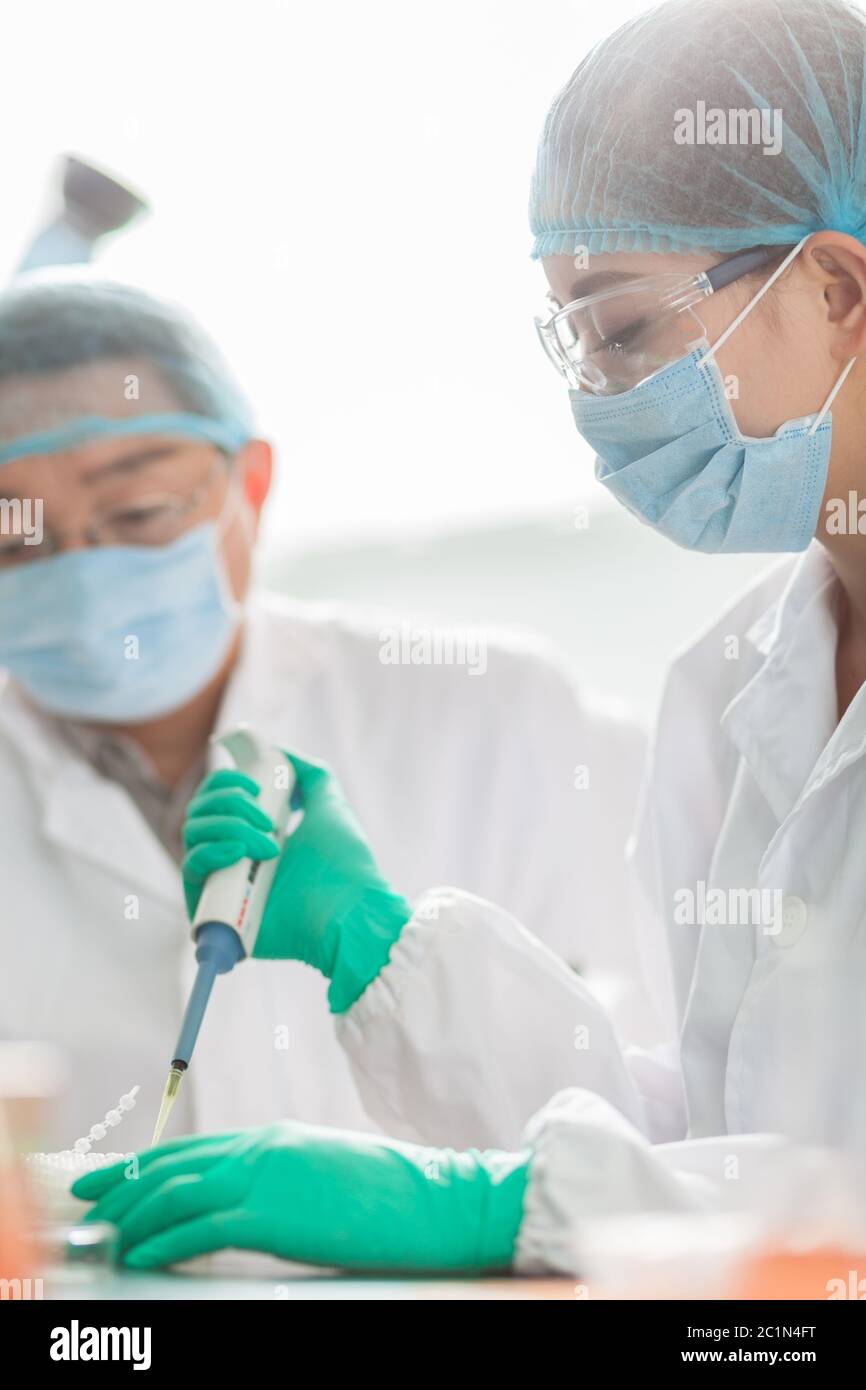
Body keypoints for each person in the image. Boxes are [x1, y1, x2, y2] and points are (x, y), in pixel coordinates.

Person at [76, 0, 866, 1276]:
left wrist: (496, 1207)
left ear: (831, 289)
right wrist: (381, 947)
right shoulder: (732, 683)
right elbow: (717, 1142)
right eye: (569, 341)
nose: (594, 401)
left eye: (622, 331)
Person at [0, 274, 647, 1151]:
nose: (80, 572)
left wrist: (460, 1214)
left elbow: (642, 1110)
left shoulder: (492, 713)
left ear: (251, 484)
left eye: (140, 511)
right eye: (14, 534)